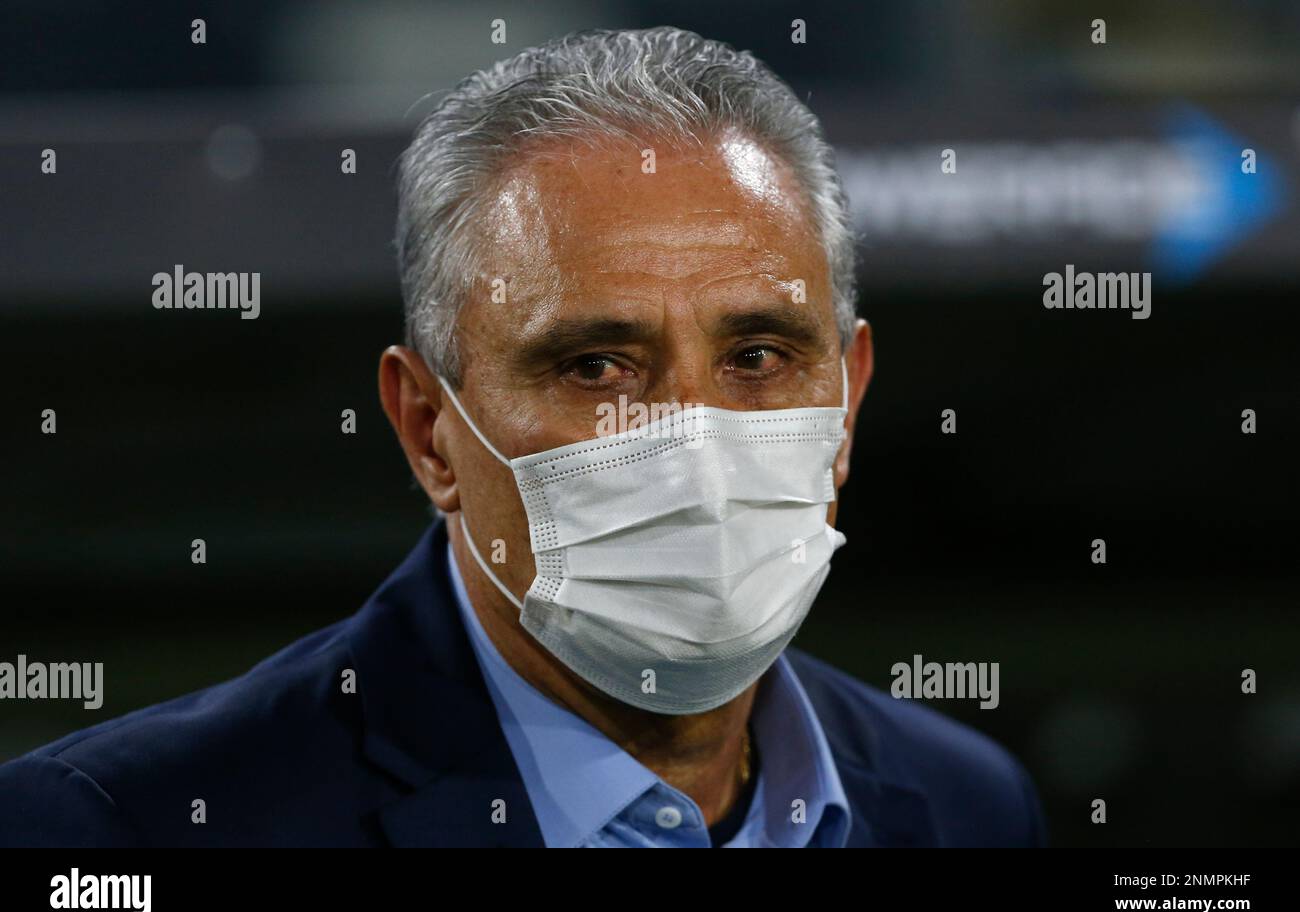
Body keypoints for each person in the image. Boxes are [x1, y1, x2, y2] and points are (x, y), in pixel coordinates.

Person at [0, 26, 1045, 847]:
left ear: (848, 397)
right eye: (595, 366)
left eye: (758, 356)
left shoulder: (969, 804)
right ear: (429, 429)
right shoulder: (120, 829)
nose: (691, 436)